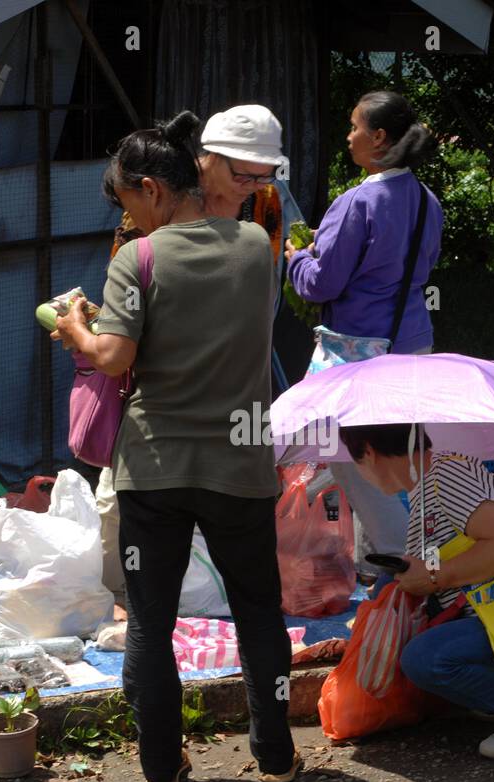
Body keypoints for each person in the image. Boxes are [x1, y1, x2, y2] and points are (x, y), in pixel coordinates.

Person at [51, 112, 299, 782]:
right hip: (240, 467)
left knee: (150, 622)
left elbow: (116, 355)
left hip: (155, 468)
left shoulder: (141, 258)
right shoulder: (254, 245)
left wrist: (77, 328)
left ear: (153, 189)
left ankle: (163, 766)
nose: (128, 221)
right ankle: (276, 754)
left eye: (129, 204)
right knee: (257, 612)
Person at [95, 104, 303, 619]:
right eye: (242, 173)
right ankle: (126, 600)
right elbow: (128, 311)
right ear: (204, 160)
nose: (253, 184)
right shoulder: (147, 210)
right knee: (127, 521)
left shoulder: (265, 209)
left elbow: (268, 288)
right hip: (162, 401)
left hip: (239, 379)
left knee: (246, 548)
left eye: (265, 173)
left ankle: (203, 604)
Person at [284, 90, 444, 575]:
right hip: (413, 343)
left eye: (354, 126)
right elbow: (421, 267)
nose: (348, 135)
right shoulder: (426, 200)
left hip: (358, 354)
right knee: (407, 456)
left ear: (378, 137)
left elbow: (321, 283)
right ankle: (419, 552)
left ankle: (400, 561)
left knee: (353, 458)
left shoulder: (356, 202)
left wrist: (296, 259)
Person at [338, 423, 494, 759]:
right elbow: (447, 555)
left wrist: (433, 576)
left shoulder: (448, 477)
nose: (361, 473)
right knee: (389, 592)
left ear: (369, 453)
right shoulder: (427, 482)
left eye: (356, 463)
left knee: (423, 658)